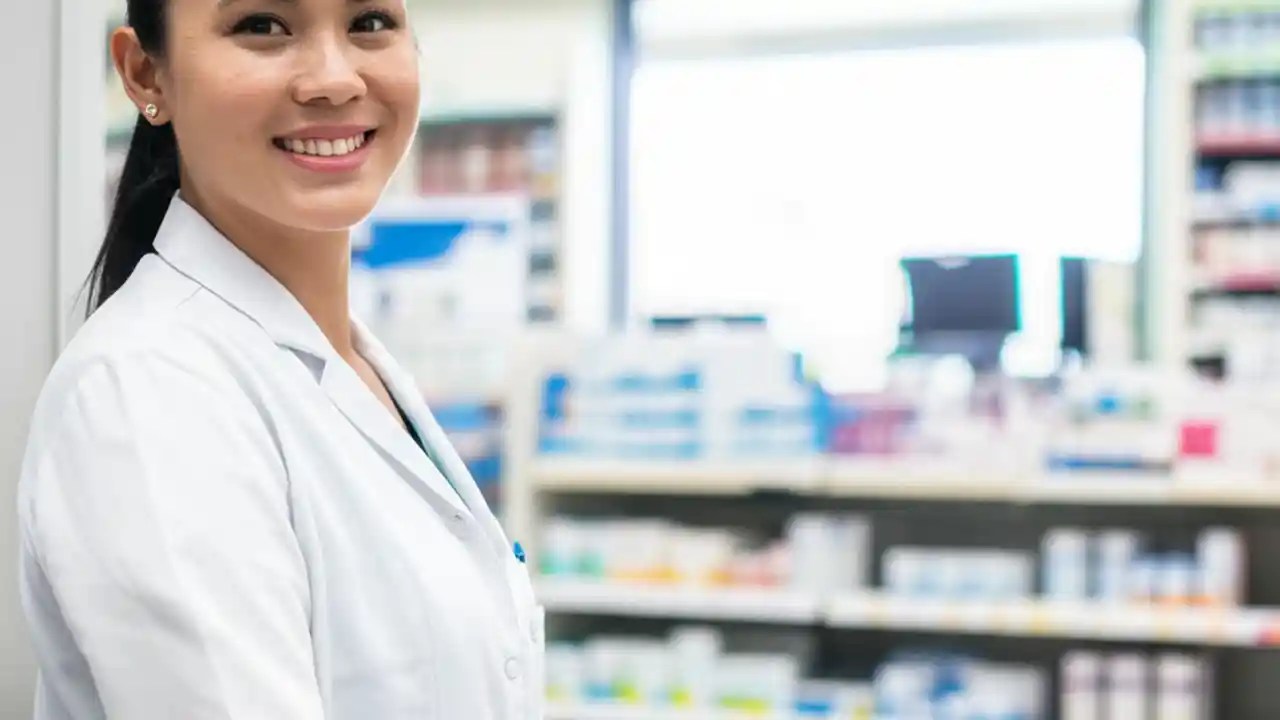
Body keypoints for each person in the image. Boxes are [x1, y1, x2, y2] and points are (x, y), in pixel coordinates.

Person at [17, 1, 544, 718]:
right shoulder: (151, 393)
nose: (332, 78)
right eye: (262, 25)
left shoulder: (354, 368)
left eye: (368, 22)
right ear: (147, 74)